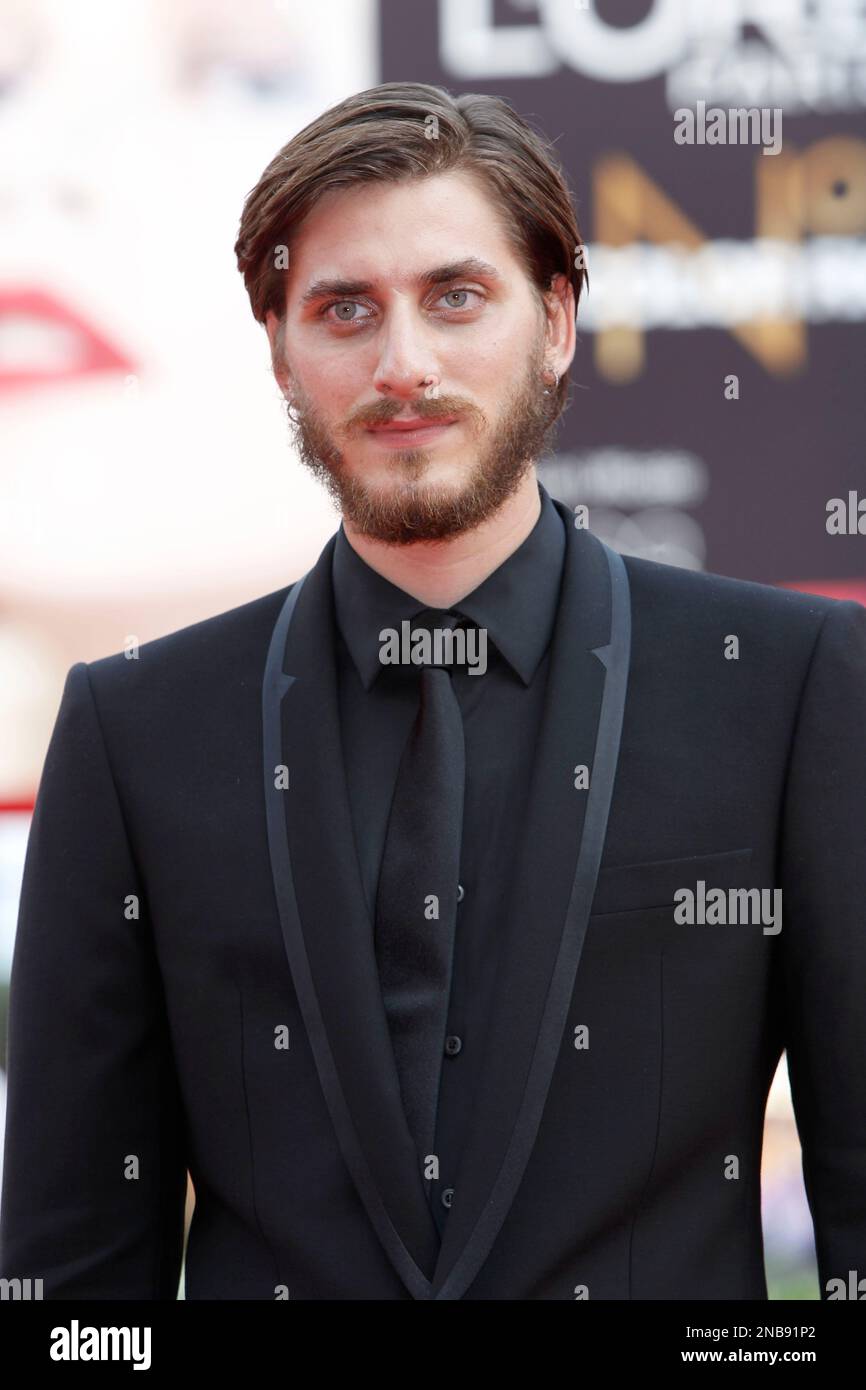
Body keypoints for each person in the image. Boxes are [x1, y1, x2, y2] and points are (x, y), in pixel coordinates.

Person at [1, 81, 864, 1302]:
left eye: (454, 297)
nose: (402, 364)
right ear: (281, 351)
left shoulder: (783, 689)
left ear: (556, 319)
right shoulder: (134, 732)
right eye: (344, 309)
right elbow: (73, 1260)